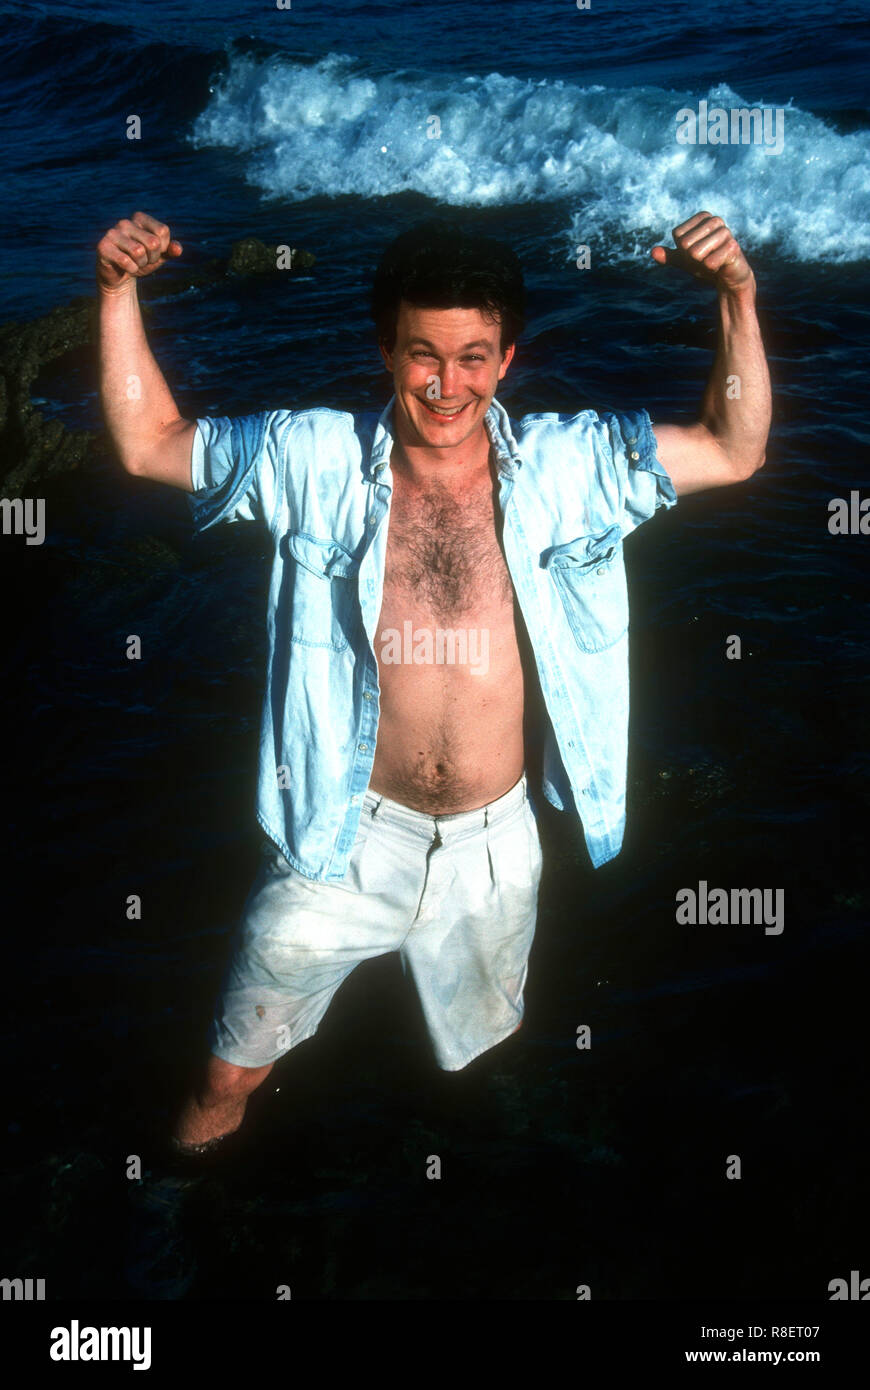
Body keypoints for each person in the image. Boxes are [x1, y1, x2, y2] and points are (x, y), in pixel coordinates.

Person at [97, 209, 769, 1290]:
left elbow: (737, 448)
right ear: (386, 351)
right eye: (422, 355)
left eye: (471, 358)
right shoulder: (312, 459)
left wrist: (736, 296)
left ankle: (461, 1240)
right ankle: (162, 1235)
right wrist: (116, 293)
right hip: (340, 842)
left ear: (509, 359)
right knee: (227, 1071)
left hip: (497, 850)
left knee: (477, 1065)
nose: (447, 387)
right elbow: (146, 442)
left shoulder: (572, 466)